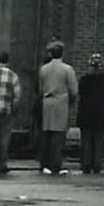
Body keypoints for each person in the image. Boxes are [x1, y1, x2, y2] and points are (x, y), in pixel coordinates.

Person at [36, 42, 79, 175]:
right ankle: (56, 164)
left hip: (47, 102)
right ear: (62, 54)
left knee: (46, 134)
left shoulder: (44, 69)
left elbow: (41, 89)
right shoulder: (67, 69)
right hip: (61, 102)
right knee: (58, 135)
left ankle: (44, 163)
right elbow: (74, 89)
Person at [76, 54, 104, 174]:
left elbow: (80, 92)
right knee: (98, 141)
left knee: (86, 140)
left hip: (86, 113)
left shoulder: (84, 79)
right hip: (100, 114)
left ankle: (86, 164)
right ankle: (97, 164)